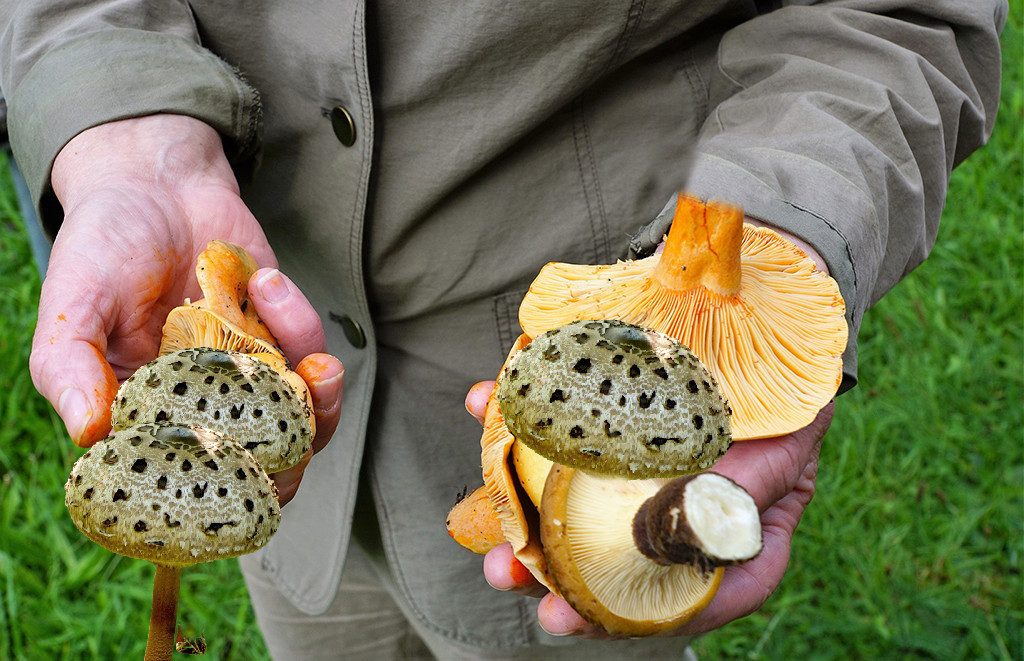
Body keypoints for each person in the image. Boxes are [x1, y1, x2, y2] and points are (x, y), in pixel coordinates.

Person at [0, 1, 1006, 658]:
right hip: (281, 389)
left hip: (592, 444)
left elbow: (887, 19)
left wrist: (756, 268)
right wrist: (121, 130)